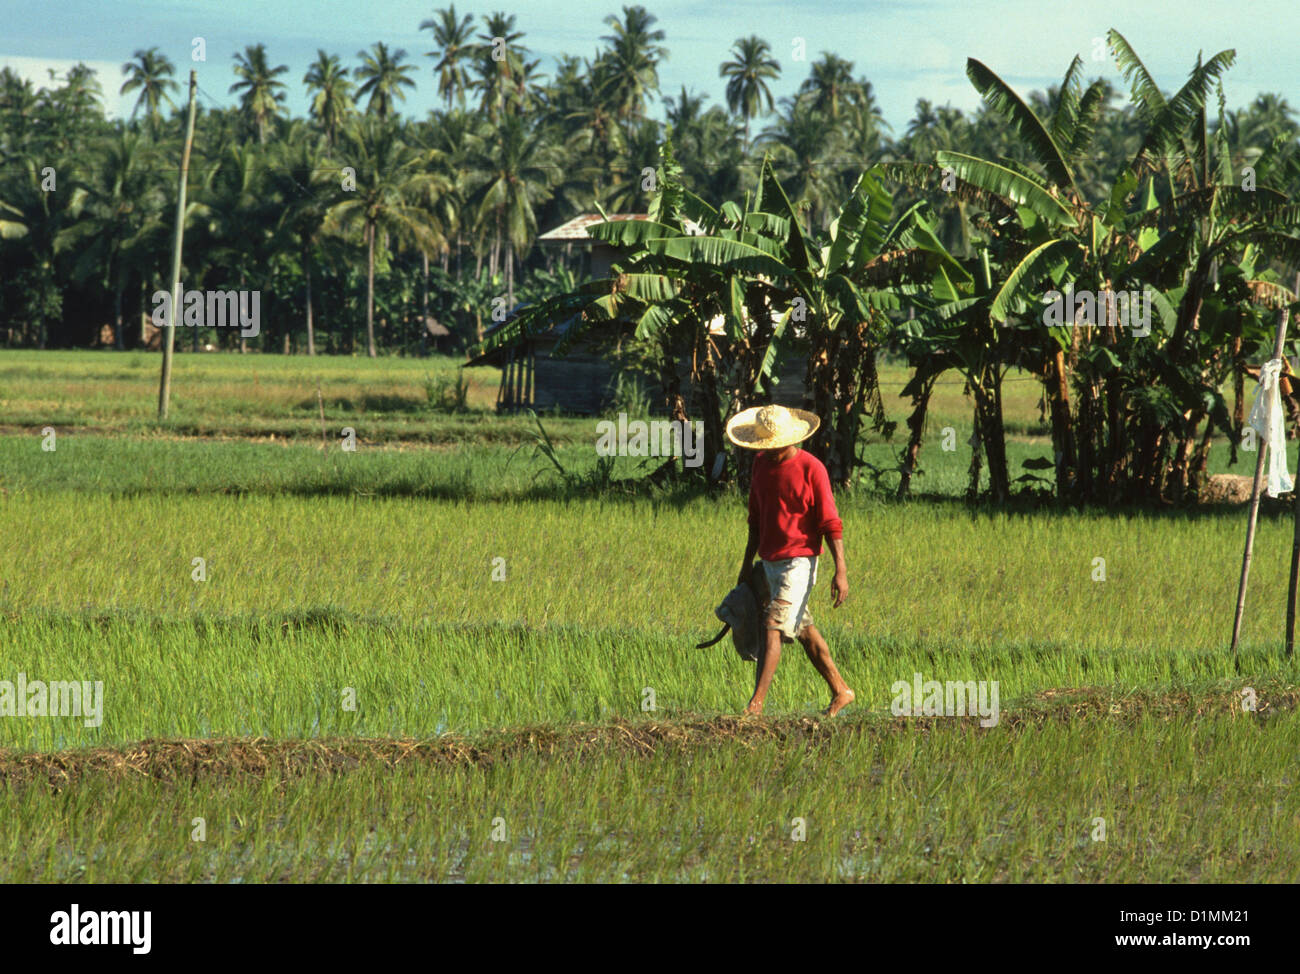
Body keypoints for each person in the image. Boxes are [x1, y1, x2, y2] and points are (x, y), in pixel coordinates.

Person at [728, 404, 854, 717]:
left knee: (772, 625)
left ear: (789, 439)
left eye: (774, 446)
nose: (768, 451)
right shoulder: (760, 465)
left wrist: (841, 570)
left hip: (799, 562)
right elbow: (755, 520)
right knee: (804, 630)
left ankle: (755, 706)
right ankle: (841, 690)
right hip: (769, 562)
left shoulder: (812, 469)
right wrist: (746, 564)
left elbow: (830, 523)